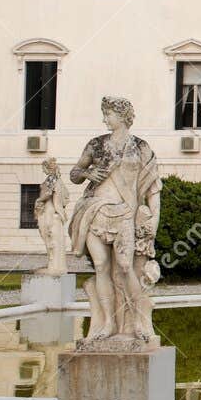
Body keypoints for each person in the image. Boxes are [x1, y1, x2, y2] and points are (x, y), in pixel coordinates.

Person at [67, 96, 161, 347]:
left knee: (125, 267)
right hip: (95, 210)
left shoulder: (140, 147)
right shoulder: (96, 145)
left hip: (125, 213)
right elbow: (74, 174)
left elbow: (153, 189)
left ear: (122, 116)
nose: (104, 119)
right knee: (100, 266)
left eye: (108, 114)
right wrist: (87, 173)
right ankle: (107, 323)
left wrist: (154, 220)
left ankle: (139, 320)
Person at [33, 157, 69, 276]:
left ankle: (54, 265)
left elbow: (48, 193)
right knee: (52, 238)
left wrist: (39, 200)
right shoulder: (56, 179)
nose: (43, 170)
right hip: (52, 210)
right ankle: (54, 264)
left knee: (49, 236)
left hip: (50, 210)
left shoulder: (52, 179)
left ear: (48, 168)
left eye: (43, 168)